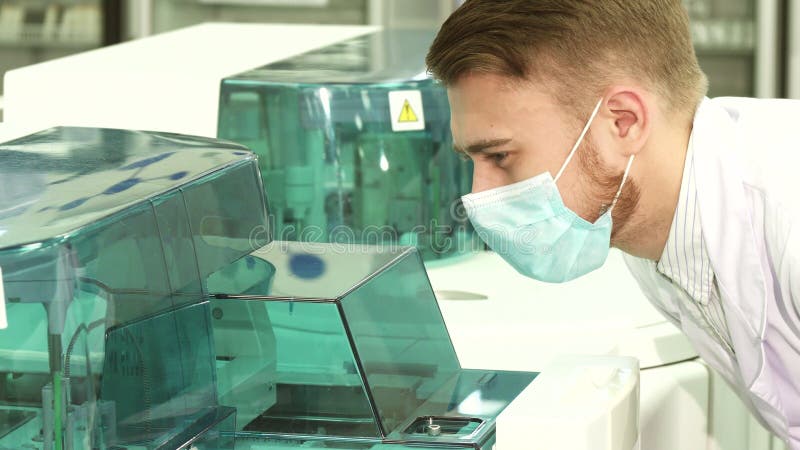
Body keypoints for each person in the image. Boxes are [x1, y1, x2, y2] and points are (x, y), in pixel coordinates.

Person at [425, 0, 800, 447]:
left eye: (500, 155)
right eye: (472, 159)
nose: (480, 194)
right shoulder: (651, 220)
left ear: (623, 122)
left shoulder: (786, 211)